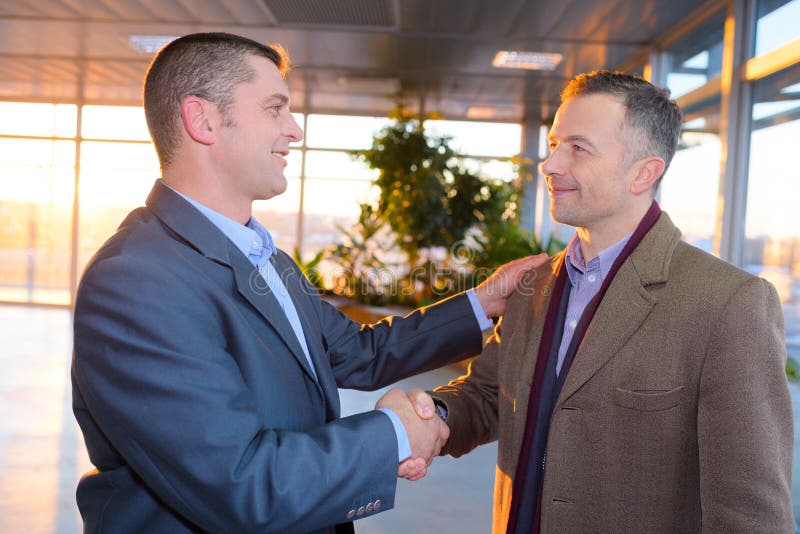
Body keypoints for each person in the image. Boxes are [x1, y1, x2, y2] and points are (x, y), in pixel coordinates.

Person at [71, 32, 545, 533]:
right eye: (274, 109)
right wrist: (394, 434)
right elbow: (243, 484)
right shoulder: (137, 280)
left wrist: (483, 299)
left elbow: (357, 352)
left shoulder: (259, 254)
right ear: (202, 119)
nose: (294, 130)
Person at [405, 71, 794, 532]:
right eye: (552, 145)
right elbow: (490, 396)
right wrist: (436, 416)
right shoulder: (533, 285)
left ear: (643, 172)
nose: (549, 165)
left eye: (577, 148)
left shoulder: (730, 304)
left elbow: (750, 515)